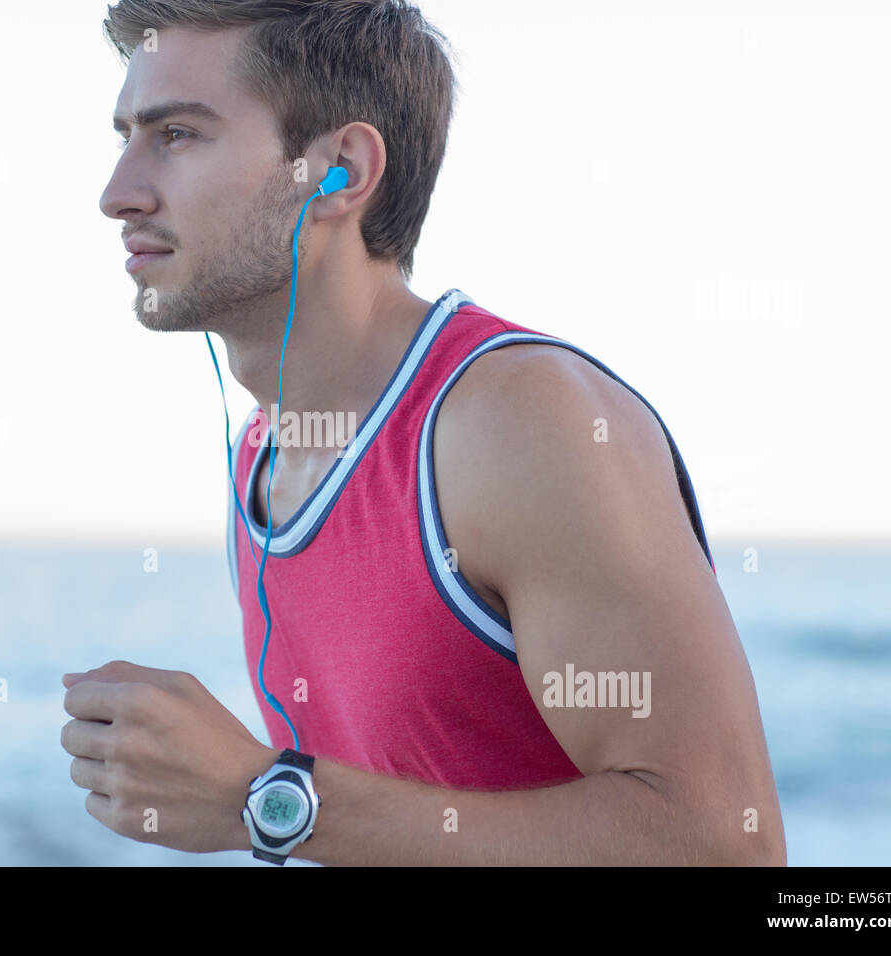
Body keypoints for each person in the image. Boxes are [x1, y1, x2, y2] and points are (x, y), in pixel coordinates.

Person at [62, 0, 786, 866]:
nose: (119, 195)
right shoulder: (264, 452)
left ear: (338, 170)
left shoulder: (518, 424)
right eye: (126, 137)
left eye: (176, 135)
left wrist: (266, 798)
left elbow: (722, 846)